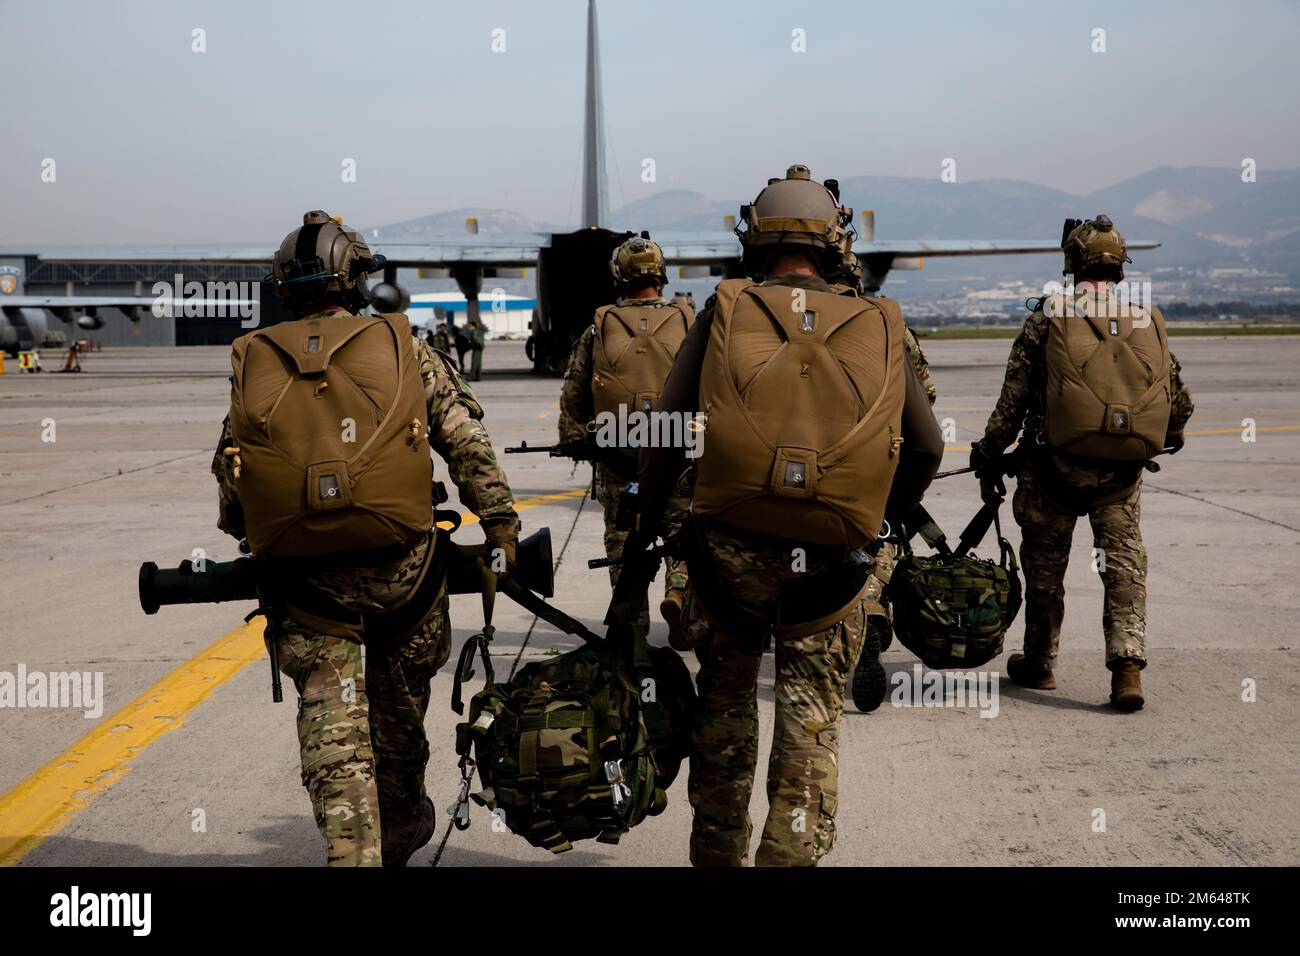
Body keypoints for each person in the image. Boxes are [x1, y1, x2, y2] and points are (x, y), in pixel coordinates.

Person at [638, 166, 944, 865]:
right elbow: (926, 445)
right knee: (810, 726)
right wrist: (883, 520)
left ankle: (718, 854)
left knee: (723, 718)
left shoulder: (724, 309)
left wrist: (654, 525)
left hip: (726, 561)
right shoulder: (881, 321)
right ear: (838, 243)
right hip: (834, 566)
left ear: (755, 240)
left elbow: (663, 433)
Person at [212, 210, 519, 865]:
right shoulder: (404, 345)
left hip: (307, 592)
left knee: (334, 739)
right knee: (400, 734)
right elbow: (466, 441)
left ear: (286, 286)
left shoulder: (257, 359)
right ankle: (401, 831)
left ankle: (353, 847)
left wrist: (255, 532)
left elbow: (232, 481)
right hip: (404, 588)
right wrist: (501, 524)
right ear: (353, 278)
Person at [971, 214, 1195, 711]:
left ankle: (1041, 662)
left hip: (1052, 472)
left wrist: (986, 454)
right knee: (1123, 568)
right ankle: (1127, 668)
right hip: (1120, 476)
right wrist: (1167, 436)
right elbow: (1177, 400)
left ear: (1071, 262)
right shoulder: (1144, 318)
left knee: (1045, 572)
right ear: (1120, 266)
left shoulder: (1048, 318)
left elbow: (1011, 403)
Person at [558, 233, 694, 647]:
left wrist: (576, 440)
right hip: (678, 458)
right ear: (661, 274)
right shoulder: (689, 322)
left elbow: (573, 396)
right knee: (683, 536)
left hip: (619, 461)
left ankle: (632, 635)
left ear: (619, 275)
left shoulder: (598, 327)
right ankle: (679, 589)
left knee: (625, 550)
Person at [829, 250, 938, 712]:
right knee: (876, 545)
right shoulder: (887, 326)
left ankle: (824, 640)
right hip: (877, 465)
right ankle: (871, 612)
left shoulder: (781, 323)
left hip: (807, 469)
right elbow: (924, 400)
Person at [466, 317, 486, 381]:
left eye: (469, 325)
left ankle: (472, 377)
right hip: (479, 348)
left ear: (472, 325)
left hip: (477, 348)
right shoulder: (478, 331)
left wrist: (477, 345)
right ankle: (478, 377)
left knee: (474, 363)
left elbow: (475, 339)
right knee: (478, 363)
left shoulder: (474, 331)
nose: (468, 327)